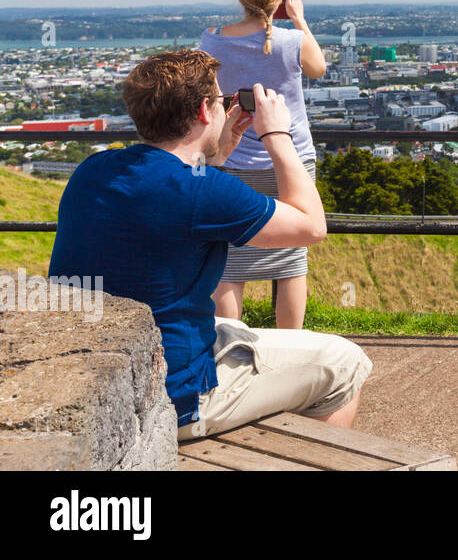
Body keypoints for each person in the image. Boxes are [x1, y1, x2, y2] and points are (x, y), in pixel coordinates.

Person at [48, 51, 371, 439]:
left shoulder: (93, 170)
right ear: (204, 109)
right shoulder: (203, 190)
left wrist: (219, 148)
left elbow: (173, 192)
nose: (224, 108)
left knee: (233, 327)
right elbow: (312, 227)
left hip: (99, 376)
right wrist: (278, 136)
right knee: (346, 362)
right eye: (220, 101)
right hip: (176, 395)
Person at [199, 0, 326, 330]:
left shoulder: (213, 39)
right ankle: (290, 350)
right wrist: (299, 18)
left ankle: (227, 349)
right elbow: (318, 68)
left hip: (232, 158)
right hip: (291, 158)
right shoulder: (291, 41)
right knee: (291, 260)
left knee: (229, 260)